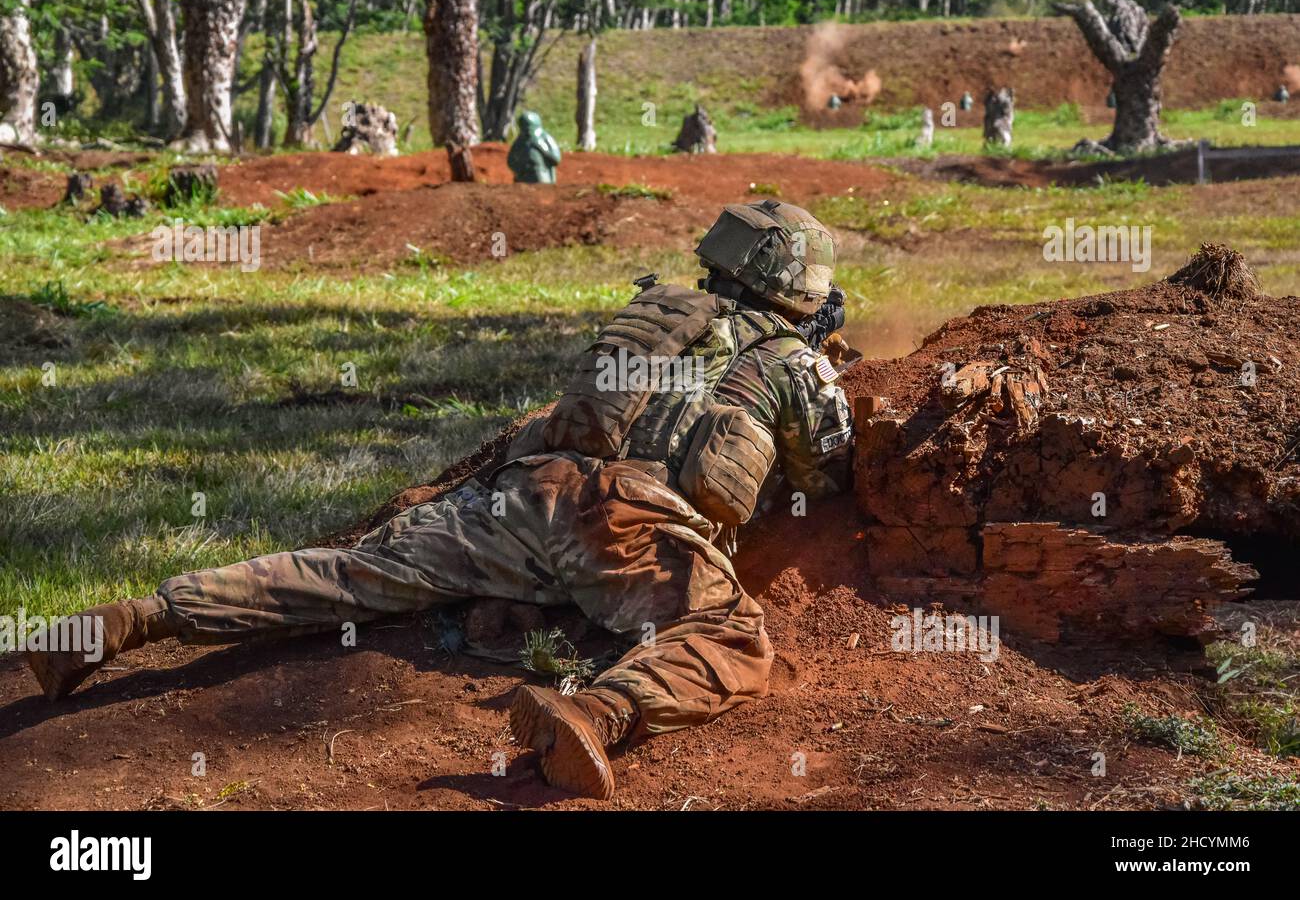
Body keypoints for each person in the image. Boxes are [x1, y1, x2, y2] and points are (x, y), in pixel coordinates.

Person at [26, 200, 854, 800]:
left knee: (350, 574)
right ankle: (598, 715)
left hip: (524, 497)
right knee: (732, 637)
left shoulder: (652, 312)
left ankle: (134, 618)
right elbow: (830, 474)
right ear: (799, 287)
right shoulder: (791, 362)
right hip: (631, 529)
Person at [506, 110, 561, 183]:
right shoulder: (521, 140)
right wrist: (519, 169)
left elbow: (556, 159)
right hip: (523, 176)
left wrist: (540, 147)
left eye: (530, 127)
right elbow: (510, 160)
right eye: (525, 128)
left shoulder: (545, 137)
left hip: (541, 174)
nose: (528, 131)